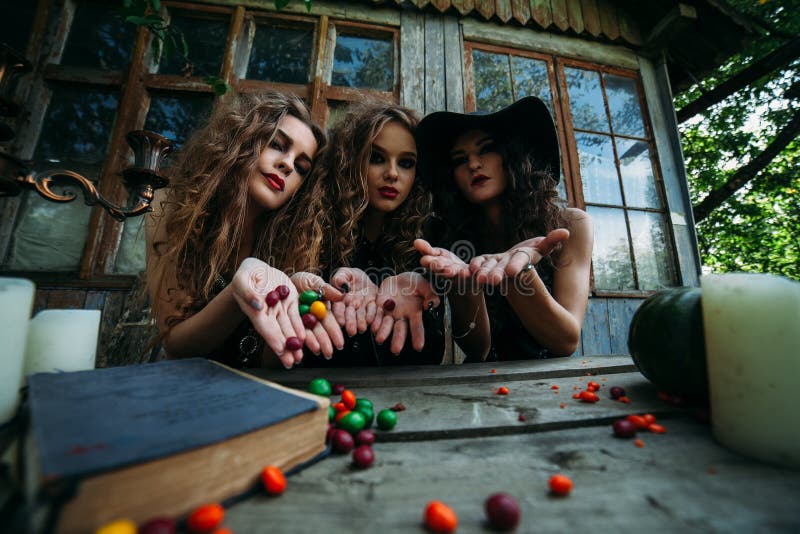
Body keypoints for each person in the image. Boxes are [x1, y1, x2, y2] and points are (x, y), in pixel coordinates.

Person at [146, 92, 343, 370]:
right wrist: (241, 293)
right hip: (184, 391)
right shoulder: (171, 207)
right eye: (276, 144)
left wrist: (296, 308)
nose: (287, 164)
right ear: (242, 140)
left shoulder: (293, 238)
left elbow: (270, 361)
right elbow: (176, 346)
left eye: (301, 167)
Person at [414, 96, 593, 361]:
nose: (473, 164)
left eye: (486, 149)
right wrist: (465, 289)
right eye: (459, 160)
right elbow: (477, 349)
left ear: (512, 155)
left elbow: (566, 340)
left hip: (552, 382)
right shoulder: (449, 237)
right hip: (480, 384)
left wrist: (517, 275)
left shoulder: (570, 225)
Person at [309, 100, 486, 366]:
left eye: (406, 163)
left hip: (420, 400)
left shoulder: (435, 239)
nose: (392, 174)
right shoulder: (314, 230)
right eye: (377, 158)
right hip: (327, 396)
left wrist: (465, 284)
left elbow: (479, 349)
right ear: (351, 160)